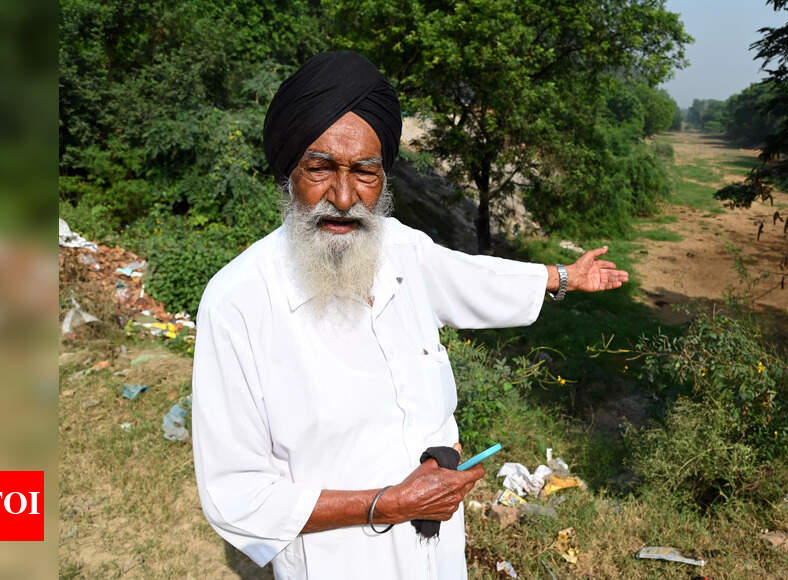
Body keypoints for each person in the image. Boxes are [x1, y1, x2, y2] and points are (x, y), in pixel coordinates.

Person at [191, 51, 628, 579]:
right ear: (289, 172)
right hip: (340, 562)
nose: (344, 197)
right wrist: (389, 504)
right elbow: (236, 495)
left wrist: (562, 277)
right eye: (320, 168)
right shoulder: (239, 301)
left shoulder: (400, 249)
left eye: (365, 172)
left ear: (383, 177)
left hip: (436, 551)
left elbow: (473, 277)